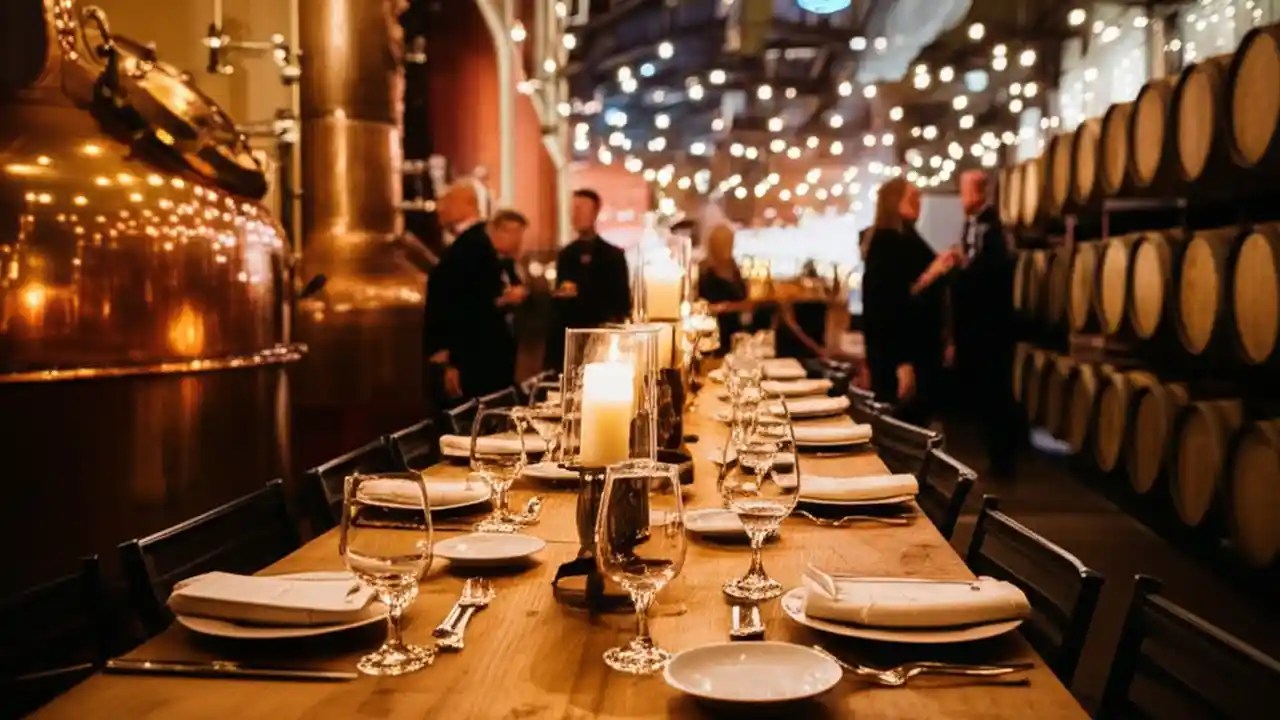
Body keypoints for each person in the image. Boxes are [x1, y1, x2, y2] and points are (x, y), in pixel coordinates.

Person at [424, 180, 529, 404]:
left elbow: (464, 309)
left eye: (448, 201)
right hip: (485, 360)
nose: (440, 207)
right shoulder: (474, 245)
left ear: (469, 204)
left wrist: (452, 360)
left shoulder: (470, 247)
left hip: (474, 364)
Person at [859, 177, 946, 425]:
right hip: (903, 355)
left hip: (911, 352)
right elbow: (889, 307)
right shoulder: (890, 241)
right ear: (895, 202)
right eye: (913, 198)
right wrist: (902, 362)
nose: (920, 204)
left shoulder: (898, 237)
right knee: (905, 427)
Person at [951, 169, 1017, 476]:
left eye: (964, 191)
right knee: (982, 395)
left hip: (989, 328)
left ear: (978, 193)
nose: (962, 198)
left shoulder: (991, 227)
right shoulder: (972, 225)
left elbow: (992, 275)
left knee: (994, 394)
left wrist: (961, 269)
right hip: (974, 328)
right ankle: (992, 455)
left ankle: (1003, 461)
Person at [544, 189, 631, 369]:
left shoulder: (612, 256)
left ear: (595, 212)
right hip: (569, 341)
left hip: (601, 339)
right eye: (573, 209)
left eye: (581, 208)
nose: (575, 214)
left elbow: (621, 303)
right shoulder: (566, 254)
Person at [697, 224, 754, 353]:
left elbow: (745, 299)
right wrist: (727, 307)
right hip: (715, 337)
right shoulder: (704, 271)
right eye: (723, 242)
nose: (727, 246)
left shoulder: (735, 269)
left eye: (729, 241)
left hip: (738, 334)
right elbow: (700, 307)